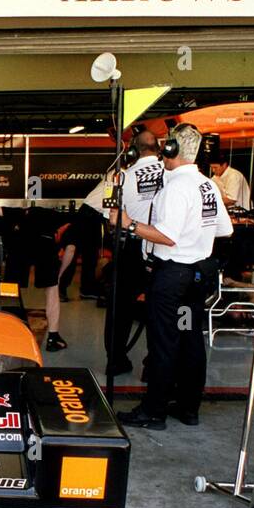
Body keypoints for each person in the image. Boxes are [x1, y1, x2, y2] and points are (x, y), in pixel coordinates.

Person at [109, 123, 232, 430]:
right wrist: (197, 238)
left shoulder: (177, 186)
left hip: (172, 278)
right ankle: (189, 408)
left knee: (164, 343)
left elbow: (167, 236)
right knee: (189, 338)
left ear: (172, 149)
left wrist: (129, 224)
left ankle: (153, 411)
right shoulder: (207, 185)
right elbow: (225, 229)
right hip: (195, 279)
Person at [90, 129, 164, 376]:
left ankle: (116, 361)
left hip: (130, 246)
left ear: (133, 150)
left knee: (119, 309)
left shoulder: (120, 177)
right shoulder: (170, 174)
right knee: (160, 311)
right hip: (163, 246)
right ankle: (153, 368)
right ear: (161, 148)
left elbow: (109, 217)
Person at [0, 204, 70, 351]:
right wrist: (60, 274)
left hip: (19, 244)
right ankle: (53, 338)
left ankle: (12, 332)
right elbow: (71, 246)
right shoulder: (58, 217)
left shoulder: (17, 212)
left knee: (11, 289)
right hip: (45, 244)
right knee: (51, 289)